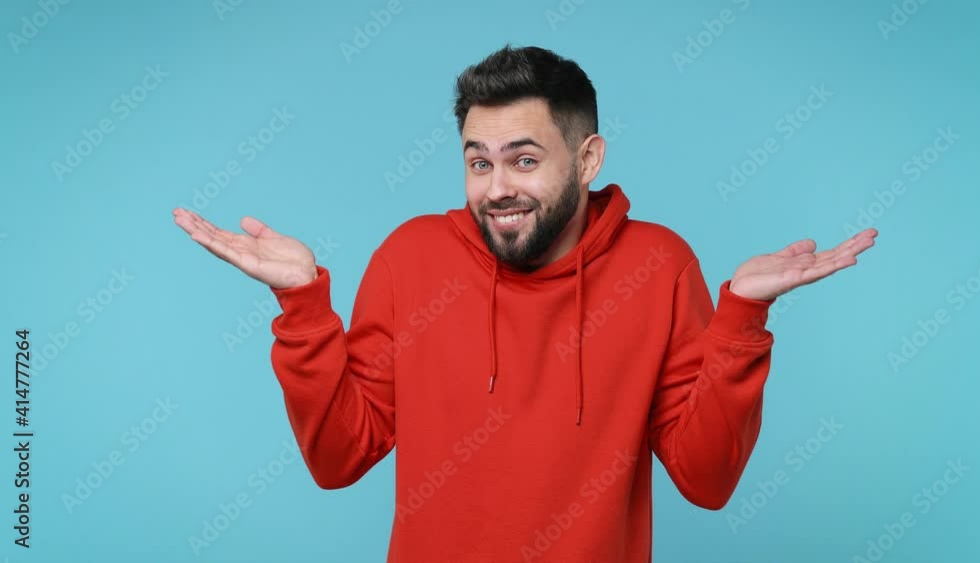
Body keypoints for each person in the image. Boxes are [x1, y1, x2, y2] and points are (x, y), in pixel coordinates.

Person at [173, 44, 876, 562]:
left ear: (589, 158)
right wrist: (302, 309)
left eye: (525, 159)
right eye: (479, 161)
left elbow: (708, 477)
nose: (497, 186)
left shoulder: (658, 265)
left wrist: (741, 322)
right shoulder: (410, 258)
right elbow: (337, 457)